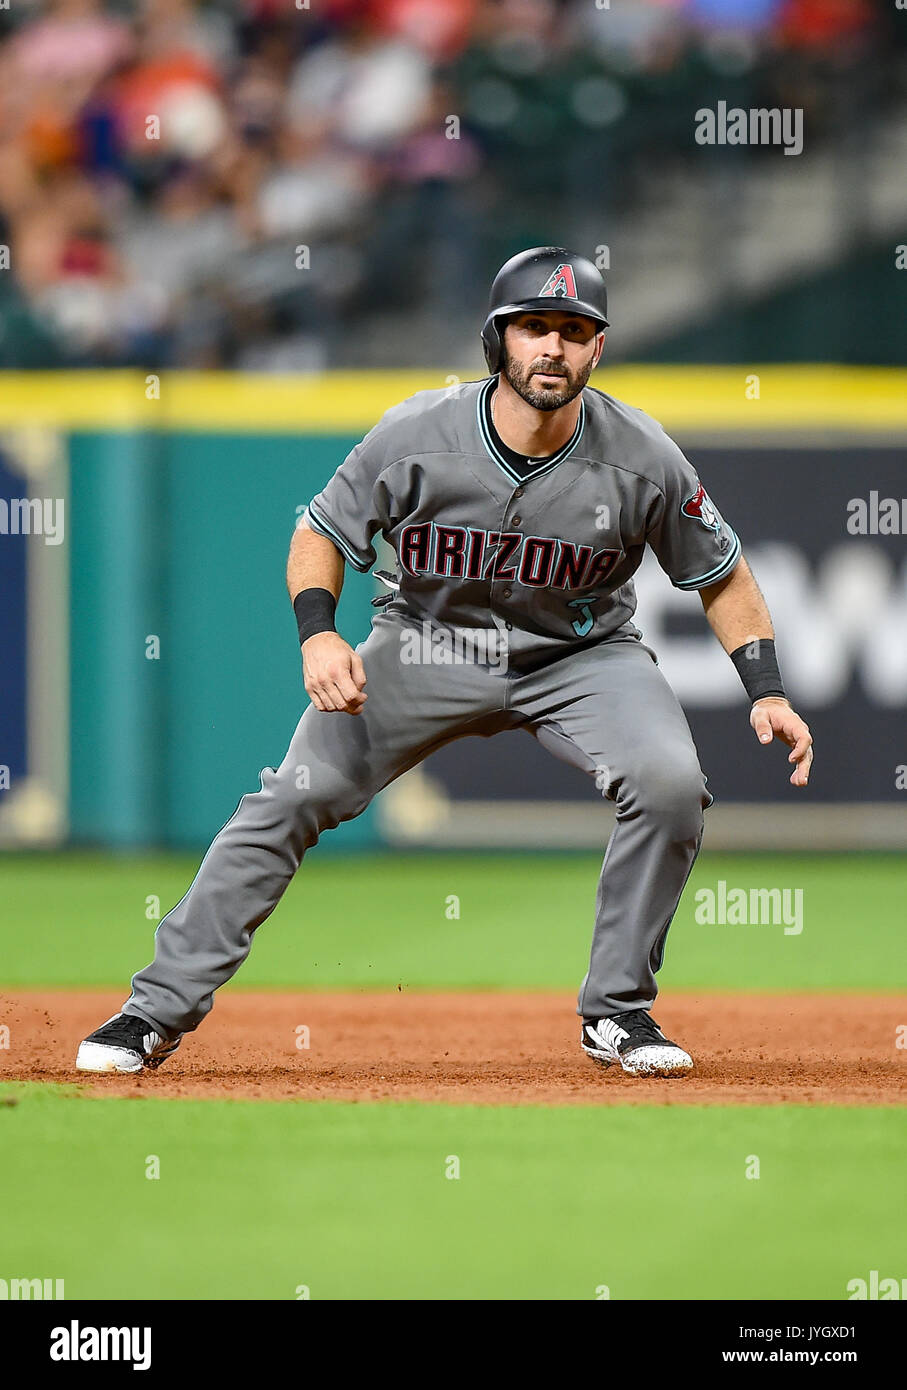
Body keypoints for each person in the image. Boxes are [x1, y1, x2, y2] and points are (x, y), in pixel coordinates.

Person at [77, 246, 812, 1080]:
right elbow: (319, 533)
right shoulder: (417, 431)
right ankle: (152, 1010)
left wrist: (767, 688)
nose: (554, 348)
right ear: (497, 339)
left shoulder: (642, 455)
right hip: (425, 641)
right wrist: (319, 634)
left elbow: (723, 576)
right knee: (290, 797)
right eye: (535, 327)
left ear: (597, 349)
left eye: (575, 331)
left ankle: (617, 1013)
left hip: (580, 654)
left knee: (670, 785)